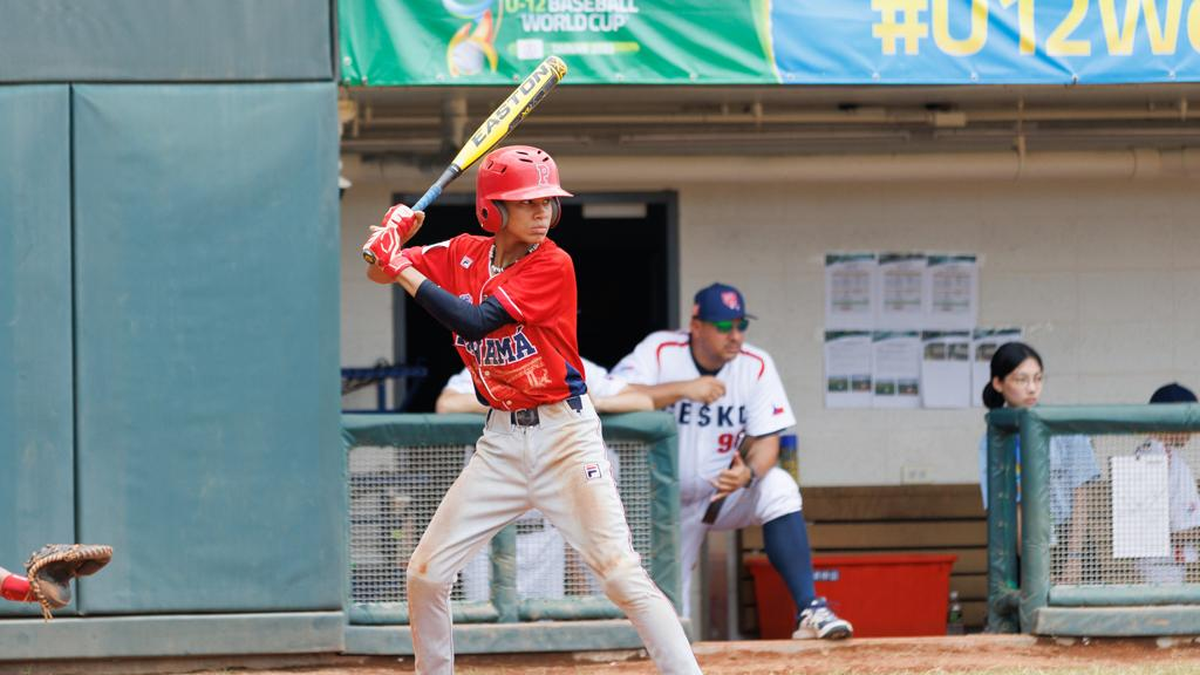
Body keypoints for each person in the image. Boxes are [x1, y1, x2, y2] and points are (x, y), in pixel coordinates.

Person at [363, 145, 700, 675]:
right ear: (492, 210)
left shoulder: (553, 264)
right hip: (499, 443)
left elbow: (473, 321)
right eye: (526, 202)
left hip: (564, 438)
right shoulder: (463, 253)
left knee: (619, 575)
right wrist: (388, 238)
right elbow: (380, 273)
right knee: (425, 574)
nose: (542, 212)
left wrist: (401, 264)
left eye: (547, 200)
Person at [612, 282, 853, 640]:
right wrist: (682, 388)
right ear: (696, 326)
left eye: (741, 325)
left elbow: (769, 439)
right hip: (659, 506)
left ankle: (810, 607)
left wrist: (748, 473)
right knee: (664, 622)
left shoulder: (755, 365)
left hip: (721, 496)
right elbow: (613, 395)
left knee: (778, 485)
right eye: (724, 326)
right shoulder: (661, 350)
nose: (735, 335)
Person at [439, 358, 653, 602]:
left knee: (542, 624)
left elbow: (643, 401)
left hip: (544, 535)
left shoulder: (573, 364)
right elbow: (447, 403)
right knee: (484, 626)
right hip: (487, 533)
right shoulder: (493, 359)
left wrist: (592, 401)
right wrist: (519, 399)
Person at [978, 341, 1100, 581]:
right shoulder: (992, 440)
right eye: (1021, 380)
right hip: (1019, 546)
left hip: (1070, 541)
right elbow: (1002, 508)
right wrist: (1033, 565)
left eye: (1038, 378)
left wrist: (1073, 558)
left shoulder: (1066, 428)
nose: (1032, 388)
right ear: (998, 383)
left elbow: (1081, 496)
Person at [1132, 383, 1200, 585]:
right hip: (1160, 565)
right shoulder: (1156, 454)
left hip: (1167, 562)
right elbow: (1163, 527)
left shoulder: (1165, 453)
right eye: (1189, 419)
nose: (1193, 428)